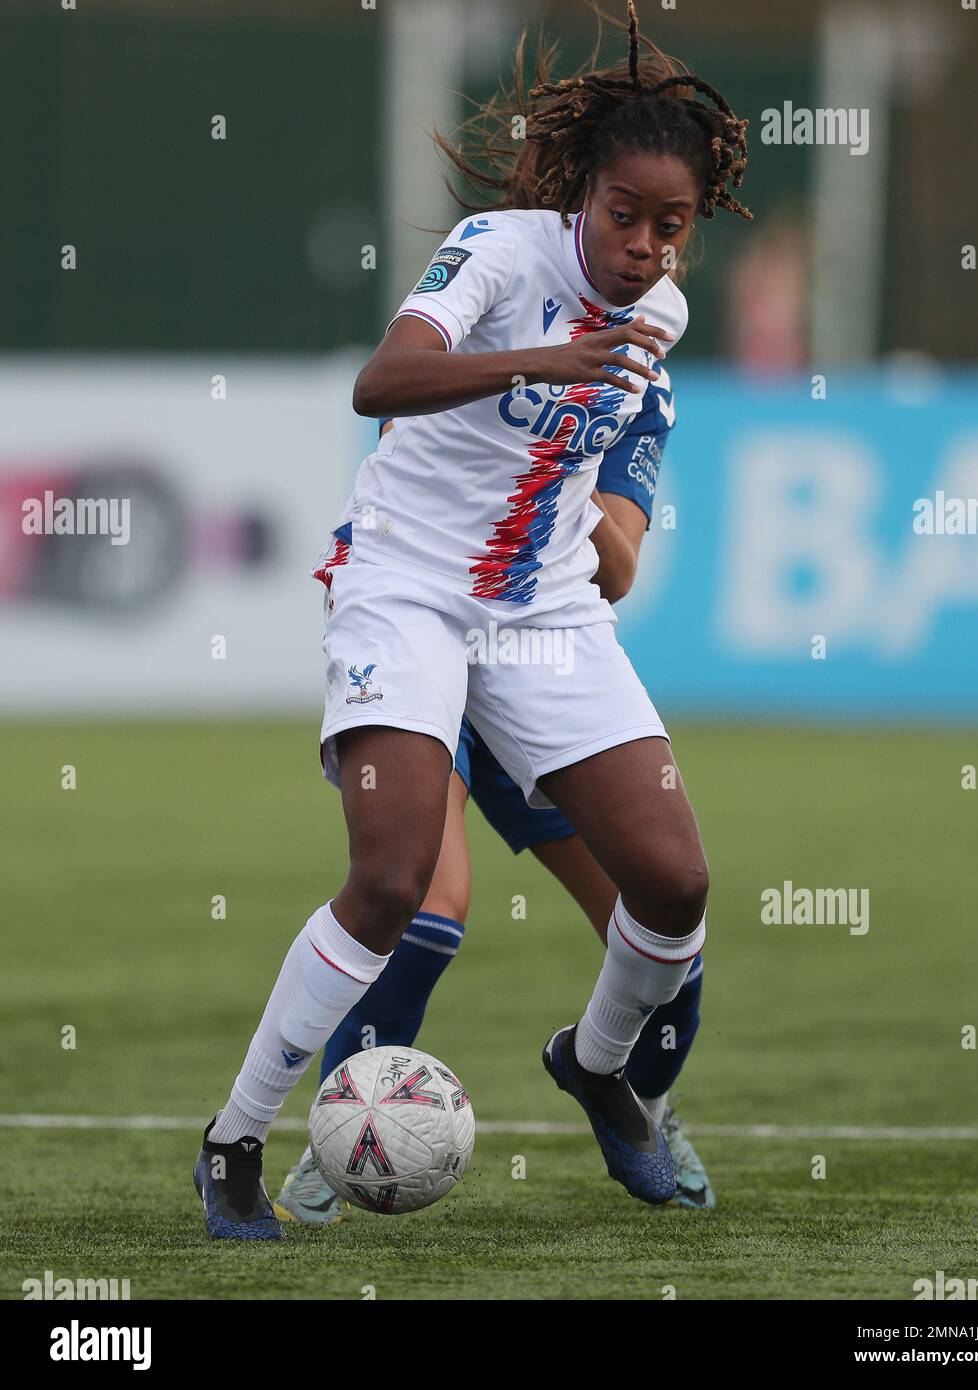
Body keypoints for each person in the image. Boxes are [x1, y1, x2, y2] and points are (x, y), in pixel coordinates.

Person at [194, 0, 750, 1239]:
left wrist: (616, 526)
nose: (646, 247)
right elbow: (378, 381)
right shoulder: (498, 250)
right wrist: (532, 365)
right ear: (582, 198)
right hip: (402, 587)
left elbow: (611, 475)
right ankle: (238, 1138)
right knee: (393, 883)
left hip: (539, 610)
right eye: (625, 216)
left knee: (673, 883)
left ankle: (601, 1068)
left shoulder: (661, 320)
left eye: (672, 226)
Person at [276, 371, 714, 1224]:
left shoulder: (639, 388)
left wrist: (560, 467)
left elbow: (615, 570)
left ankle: (644, 1106)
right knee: (426, 908)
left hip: (540, 670)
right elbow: (416, 491)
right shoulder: (470, 330)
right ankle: (338, 1140)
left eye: (665, 230)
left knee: (667, 921)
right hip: (429, 650)